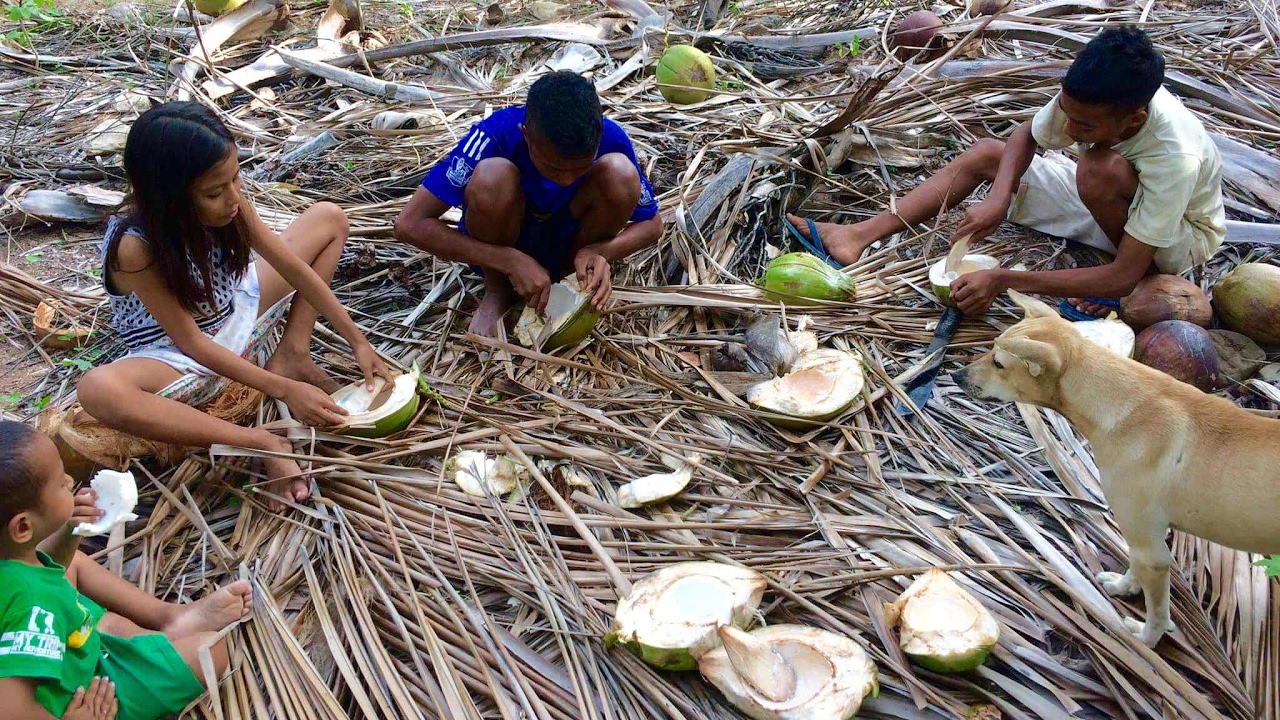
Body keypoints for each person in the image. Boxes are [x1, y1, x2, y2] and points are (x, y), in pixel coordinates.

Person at [75, 102, 391, 507]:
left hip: (237, 308)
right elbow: (191, 342)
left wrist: (358, 340)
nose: (232, 198)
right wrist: (284, 391)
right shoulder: (135, 246)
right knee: (98, 388)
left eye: (235, 180)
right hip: (177, 352)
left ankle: (293, 352)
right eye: (213, 192)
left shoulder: (232, 202)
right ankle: (259, 441)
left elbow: (293, 269)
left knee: (328, 218)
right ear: (169, 198)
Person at [788, 26, 1225, 317]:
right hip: (1116, 204)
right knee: (986, 155)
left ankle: (1133, 280)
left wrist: (1003, 279)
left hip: (1177, 239)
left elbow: (1123, 271)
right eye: (1067, 114)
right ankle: (858, 236)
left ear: (1133, 120)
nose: (1069, 130)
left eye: (1084, 126)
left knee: (1097, 170)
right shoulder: (1093, 97)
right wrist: (998, 197)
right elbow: (1024, 136)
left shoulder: (1175, 156)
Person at [0, 421, 253, 720]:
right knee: (212, 651)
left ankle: (168, 619)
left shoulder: (19, 569)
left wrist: (71, 530)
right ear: (24, 527)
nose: (70, 481)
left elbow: (44, 575)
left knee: (71, 564)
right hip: (88, 690)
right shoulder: (32, 604)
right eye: (59, 482)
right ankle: (149, 639)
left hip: (70, 642)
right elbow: (11, 709)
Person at [394, 71, 664, 336]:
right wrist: (507, 260)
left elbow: (652, 224)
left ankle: (571, 283)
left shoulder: (611, 138)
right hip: (504, 245)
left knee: (621, 173)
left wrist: (601, 251)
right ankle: (497, 291)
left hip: (570, 246)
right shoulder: (496, 135)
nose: (566, 180)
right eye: (552, 168)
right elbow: (409, 224)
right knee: (493, 176)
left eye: (580, 169)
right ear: (525, 134)